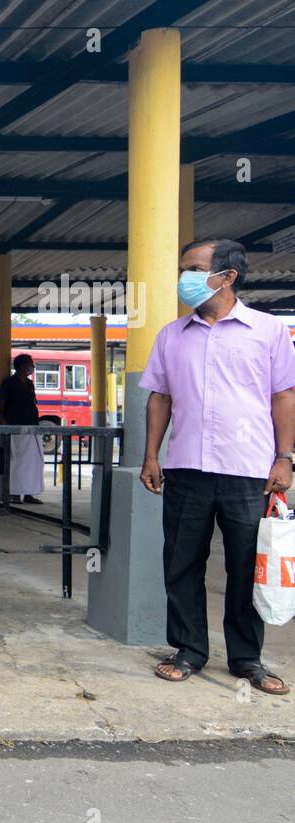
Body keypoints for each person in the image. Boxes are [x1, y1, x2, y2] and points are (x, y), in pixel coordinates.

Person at [140, 238, 295, 695]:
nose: (183, 278)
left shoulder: (268, 332)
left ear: (227, 277)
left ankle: (247, 659)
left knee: (247, 567)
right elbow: (160, 397)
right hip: (186, 467)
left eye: (193, 268)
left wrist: (284, 458)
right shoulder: (171, 335)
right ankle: (189, 650)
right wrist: (152, 454)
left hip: (249, 471)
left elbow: (283, 396)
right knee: (182, 562)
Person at [0, 353, 44, 505]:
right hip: (16, 428)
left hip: (32, 427)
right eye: (30, 364)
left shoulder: (29, 384)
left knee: (35, 461)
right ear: (22, 366)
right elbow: (1, 406)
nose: (32, 367)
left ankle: (30, 493)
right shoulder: (9, 383)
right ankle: (15, 493)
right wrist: (5, 424)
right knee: (18, 461)